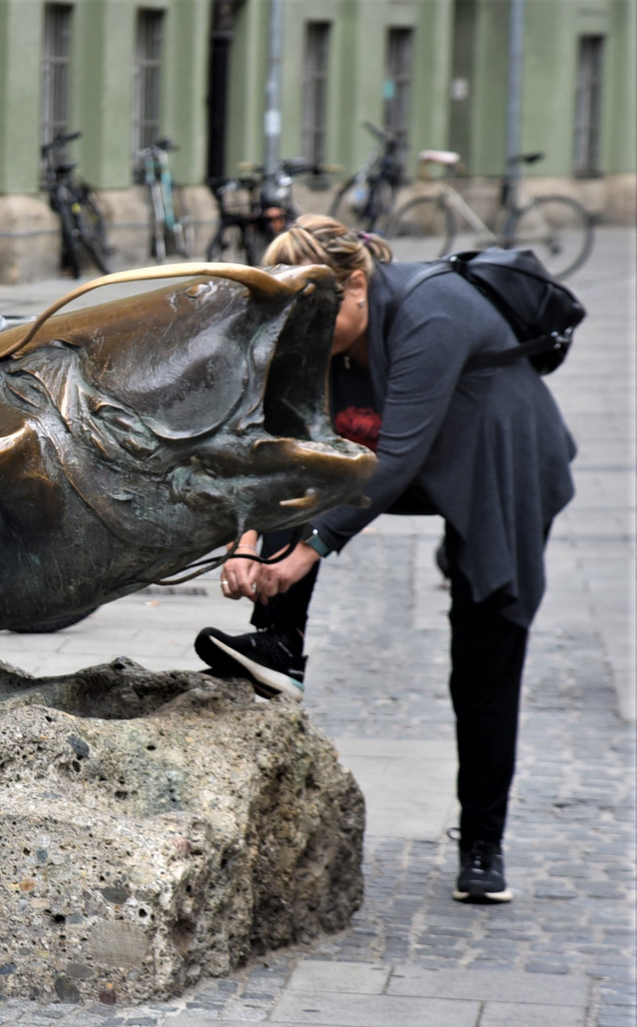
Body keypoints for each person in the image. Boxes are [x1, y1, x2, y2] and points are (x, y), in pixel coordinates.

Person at [195, 215, 575, 905]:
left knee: (485, 643)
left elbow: (393, 461)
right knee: (303, 481)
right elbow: (281, 445)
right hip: (414, 459)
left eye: (311, 316)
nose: (297, 337)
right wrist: (246, 541)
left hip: (498, 464)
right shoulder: (321, 327)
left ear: (357, 285)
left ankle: (482, 842)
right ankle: (278, 644)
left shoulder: (433, 314)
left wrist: (305, 553)